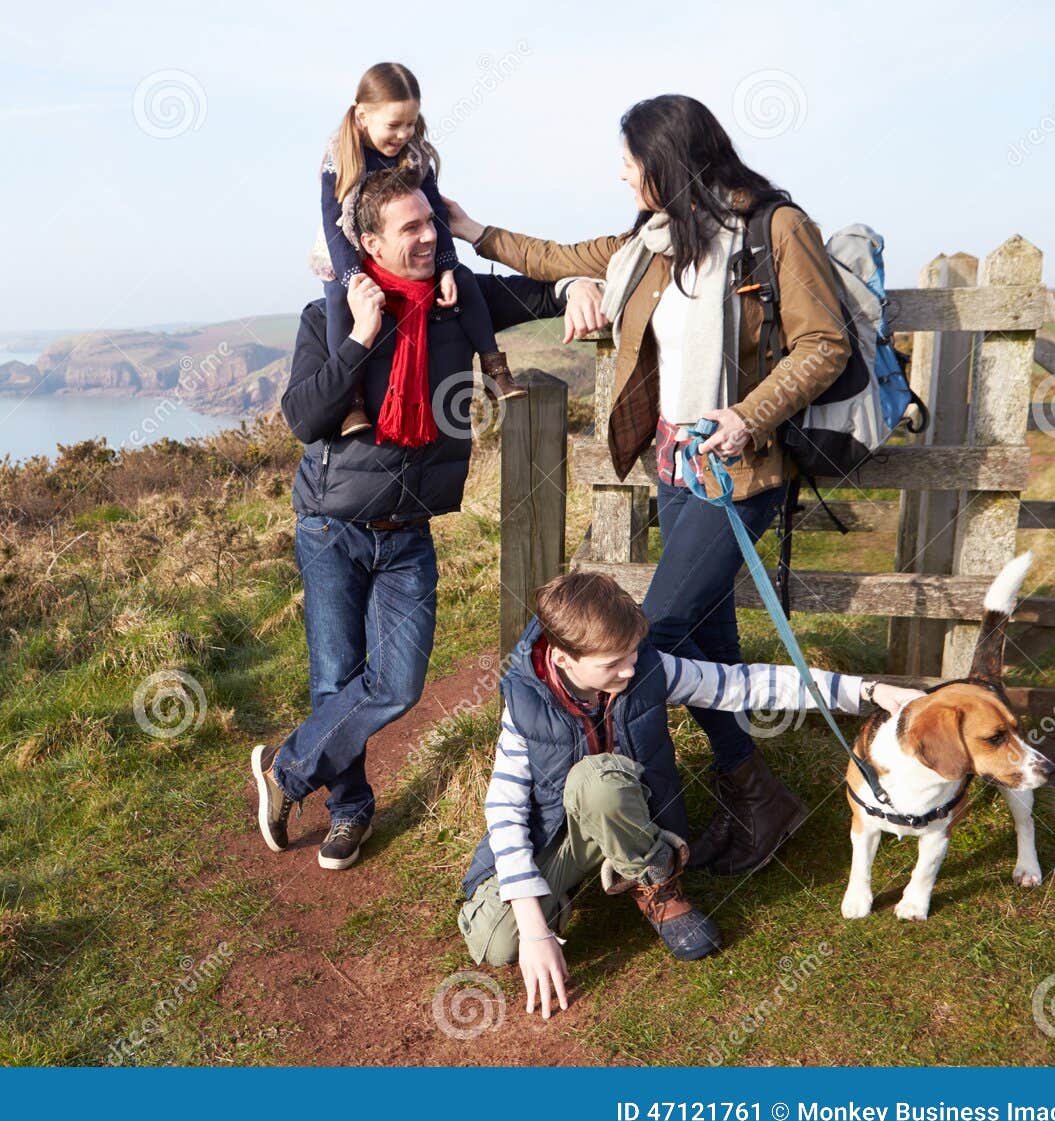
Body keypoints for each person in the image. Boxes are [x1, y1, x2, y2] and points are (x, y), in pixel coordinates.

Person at [446, 94, 854, 875]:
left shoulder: (774, 229)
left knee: (650, 641)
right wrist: (475, 232)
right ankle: (753, 792)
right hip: (674, 468)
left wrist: (748, 413)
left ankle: (647, 836)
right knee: (709, 639)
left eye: (633, 165)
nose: (624, 177)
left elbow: (823, 343)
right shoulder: (657, 239)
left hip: (739, 471)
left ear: (670, 165)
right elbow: (564, 256)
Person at [251, 167, 602, 871]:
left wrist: (577, 286)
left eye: (431, 224)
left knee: (399, 683)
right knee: (335, 679)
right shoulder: (327, 315)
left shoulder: (455, 298)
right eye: (410, 227)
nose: (428, 237)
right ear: (370, 241)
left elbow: (534, 288)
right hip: (332, 526)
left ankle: (285, 769)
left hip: (408, 530)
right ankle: (348, 810)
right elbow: (304, 417)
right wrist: (359, 335)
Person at [459, 570, 922, 1019]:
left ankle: (655, 884)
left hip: (627, 807)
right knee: (498, 944)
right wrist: (535, 927)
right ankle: (579, 882)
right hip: (561, 832)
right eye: (612, 664)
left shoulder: (648, 669)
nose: (629, 670)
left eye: (632, 655)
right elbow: (505, 807)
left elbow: (746, 684)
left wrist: (868, 689)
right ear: (563, 659)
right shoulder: (524, 705)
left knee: (597, 779)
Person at [311, 61, 524, 439]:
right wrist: (352, 277)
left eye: (410, 123)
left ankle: (495, 368)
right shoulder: (339, 156)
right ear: (362, 116)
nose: (403, 133)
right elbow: (332, 222)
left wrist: (444, 265)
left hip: (403, 246)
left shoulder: (416, 154)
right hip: (348, 250)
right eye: (393, 125)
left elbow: (436, 211)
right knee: (340, 305)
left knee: (464, 281)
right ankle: (352, 402)